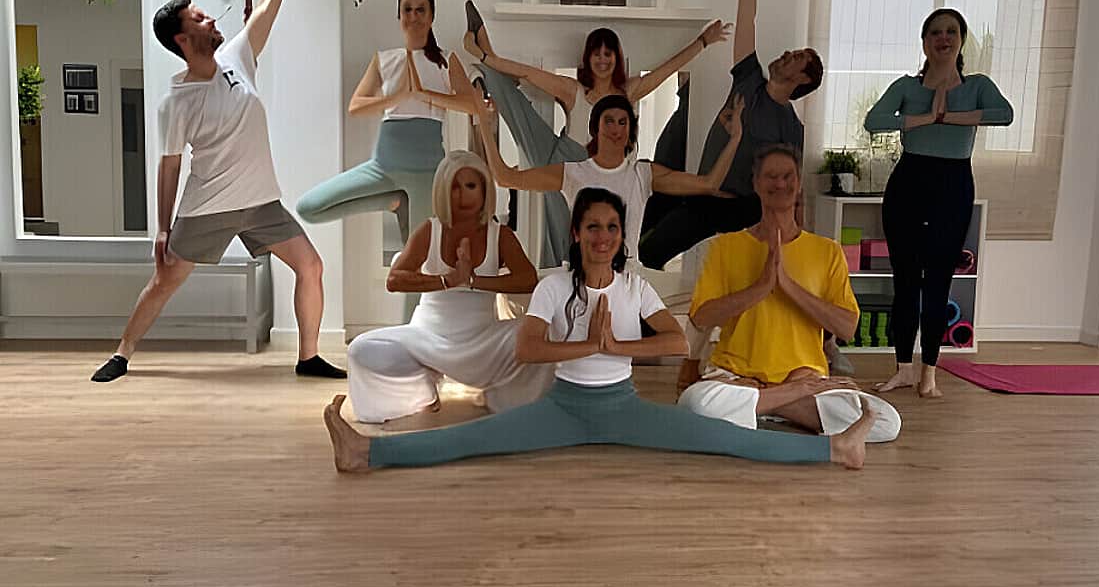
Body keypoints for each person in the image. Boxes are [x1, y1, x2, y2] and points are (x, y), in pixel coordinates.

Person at [322, 188, 877, 472]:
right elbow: (527, 346)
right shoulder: (553, 286)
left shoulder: (634, 288)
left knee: (726, 439)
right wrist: (591, 343)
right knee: (467, 441)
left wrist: (620, 347)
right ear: (578, 231)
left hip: (624, 408)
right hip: (560, 408)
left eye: (612, 227)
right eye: (594, 227)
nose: (603, 236)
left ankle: (835, 453)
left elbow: (678, 341)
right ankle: (365, 456)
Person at [91, 0, 345, 383]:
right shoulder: (177, 101)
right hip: (208, 208)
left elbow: (267, 4)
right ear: (182, 40)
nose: (211, 20)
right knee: (165, 283)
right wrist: (163, 229)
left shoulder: (237, 58)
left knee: (311, 265)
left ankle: (309, 356)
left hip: (261, 202)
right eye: (200, 18)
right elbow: (168, 168)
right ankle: (123, 353)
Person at [463, 5, 731, 264]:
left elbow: (666, 69)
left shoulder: (628, 91)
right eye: (597, 54)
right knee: (522, 118)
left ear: (616, 57)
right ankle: (487, 58)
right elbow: (528, 72)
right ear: (588, 59)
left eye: (608, 53)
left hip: (600, 167)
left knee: (572, 224)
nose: (603, 60)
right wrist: (489, 60)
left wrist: (703, 42)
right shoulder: (573, 90)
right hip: (567, 156)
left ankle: (489, 60)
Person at [676, 145, 901, 442]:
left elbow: (847, 326)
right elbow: (702, 318)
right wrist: (761, 288)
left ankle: (763, 406)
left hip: (804, 379)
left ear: (798, 184)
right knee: (693, 403)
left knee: (887, 421)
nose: (779, 184)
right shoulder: (725, 247)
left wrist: (788, 286)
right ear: (755, 183)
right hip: (736, 375)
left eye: (787, 176)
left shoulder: (827, 251)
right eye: (770, 176)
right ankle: (785, 407)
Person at [638, 0, 824, 271]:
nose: (786, 54)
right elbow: (747, 17)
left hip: (742, 208)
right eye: (791, 51)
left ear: (802, 81)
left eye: (796, 58)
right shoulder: (750, 80)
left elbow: (788, 188)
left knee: (737, 271)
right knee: (646, 252)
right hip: (703, 194)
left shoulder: (790, 128)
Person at [865, 7, 1013, 398]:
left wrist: (951, 117)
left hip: (953, 185)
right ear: (925, 41)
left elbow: (1005, 115)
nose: (942, 38)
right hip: (909, 184)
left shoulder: (977, 85)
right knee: (906, 282)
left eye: (950, 31)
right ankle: (903, 368)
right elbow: (874, 120)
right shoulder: (907, 87)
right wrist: (926, 118)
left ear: (961, 39)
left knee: (938, 284)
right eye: (934, 32)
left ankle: (929, 371)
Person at [346, 151, 554, 422]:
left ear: (484, 190)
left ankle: (503, 397)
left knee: (547, 332)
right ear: (443, 190)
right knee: (361, 349)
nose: (463, 195)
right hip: (427, 337)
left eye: (470, 186)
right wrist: (447, 281)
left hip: (483, 340)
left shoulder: (500, 235)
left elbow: (527, 279)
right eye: (455, 187)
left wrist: (473, 281)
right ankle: (421, 391)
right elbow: (395, 280)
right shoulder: (429, 231)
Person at [475, 90, 744, 265]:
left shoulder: (643, 174)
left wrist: (735, 139)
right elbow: (506, 177)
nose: (616, 128)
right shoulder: (573, 173)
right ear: (595, 128)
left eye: (623, 122)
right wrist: (486, 125)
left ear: (631, 130)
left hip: (627, 278)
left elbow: (709, 184)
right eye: (609, 121)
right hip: (583, 276)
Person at [296, 0, 475, 242]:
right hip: (383, 166)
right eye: (407, 10)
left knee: (423, 259)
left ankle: (399, 201)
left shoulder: (447, 60)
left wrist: (425, 94)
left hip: (427, 172)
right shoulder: (385, 59)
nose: (414, 16)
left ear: (432, 16)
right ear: (399, 17)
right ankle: (394, 200)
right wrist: (397, 97)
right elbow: (356, 106)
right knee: (309, 208)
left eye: (421, 10)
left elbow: (471, 105)